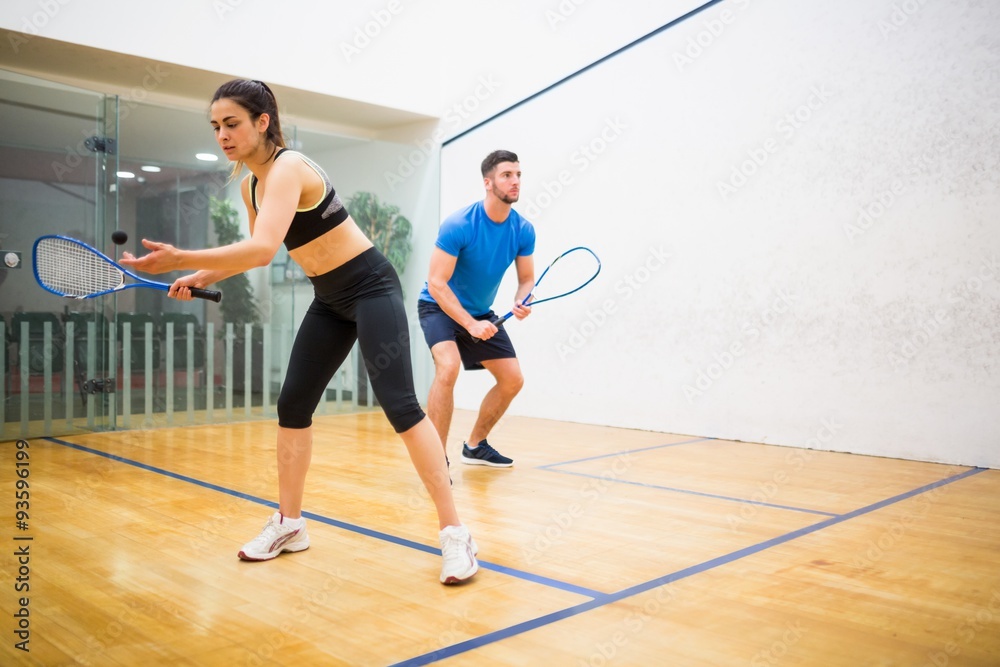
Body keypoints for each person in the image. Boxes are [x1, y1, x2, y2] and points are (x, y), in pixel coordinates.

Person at [120, 79, 477, 585]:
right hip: (330, 299)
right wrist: (196, 277)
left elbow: (265, 249)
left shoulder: (288, 168)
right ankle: (290, 524)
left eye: (232, 123)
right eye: (216, 126)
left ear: (262, 122)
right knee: (293, 404)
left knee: (399, 404)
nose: (222, 135)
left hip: (371, 287)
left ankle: (455, 533)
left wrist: (183, 256)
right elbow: (252, 251)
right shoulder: (249, 183)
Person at [417, 150, 535, 469]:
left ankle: (475, 446)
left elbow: (526, 279)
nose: (515, 181)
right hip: (438, 307)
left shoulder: (523, 230)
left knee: (512, 379)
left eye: (518, 175)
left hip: (480, 313)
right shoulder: (459, 224)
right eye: (507, 175)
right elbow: (437, 283)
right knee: (449, 367)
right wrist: (469, 325)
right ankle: (435, 459)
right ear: (488, 182)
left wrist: (523, 299)